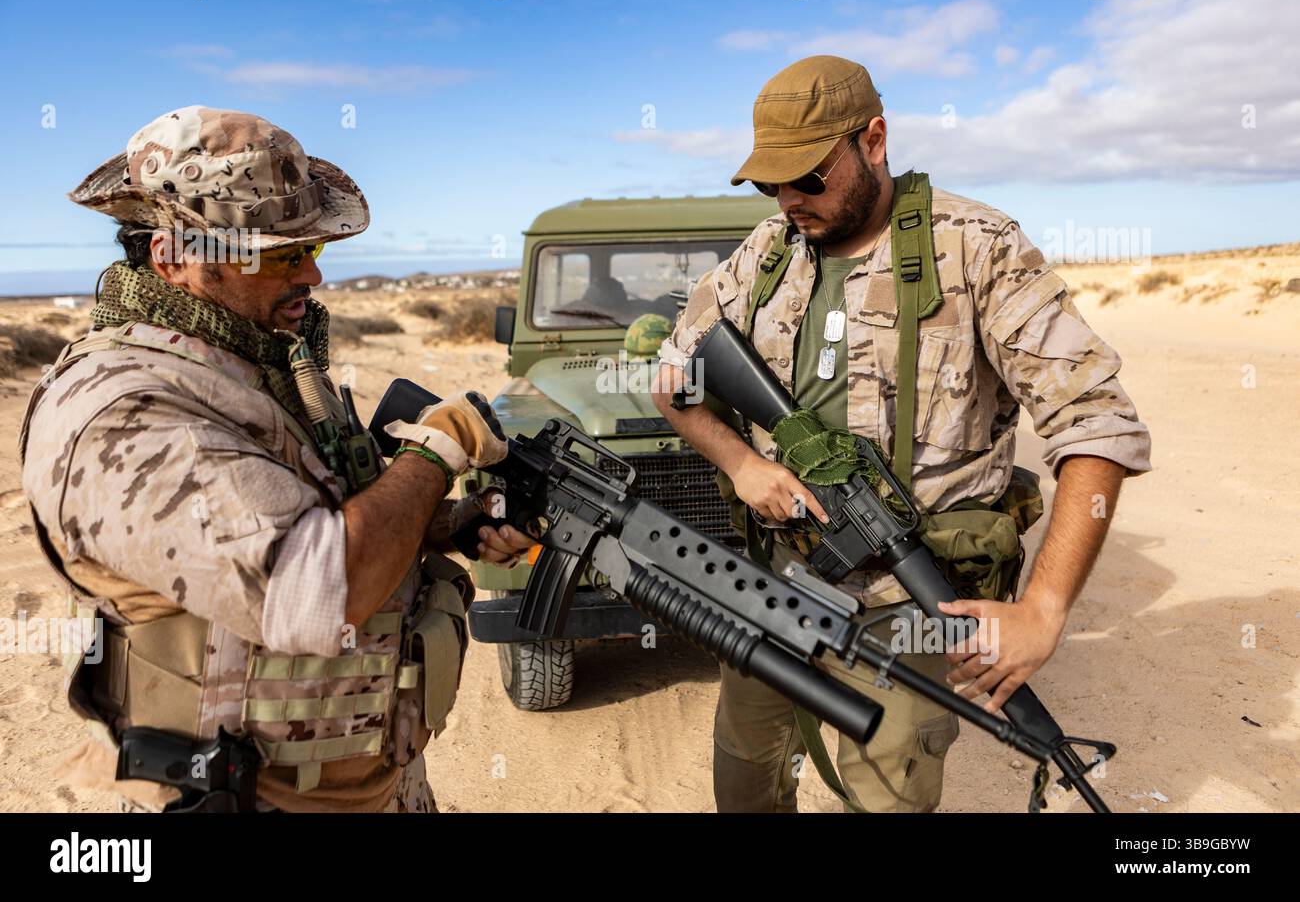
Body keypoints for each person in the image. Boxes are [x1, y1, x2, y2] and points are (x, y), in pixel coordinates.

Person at [653, 56, 1152, 812]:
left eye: (809, 177)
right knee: (745, 786)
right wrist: (743, 462)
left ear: (874, 141)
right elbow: (673, 377)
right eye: (770, 183)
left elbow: (1099, 424)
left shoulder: (975, 248)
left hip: (905, 613)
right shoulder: (767, 253)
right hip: (766, 586)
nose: (789, 200)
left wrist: (1044, 611)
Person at [20, 105, 533, 812]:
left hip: (361, 786)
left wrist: (447, 522)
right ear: (174, 258)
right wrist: (435, 454)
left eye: (315, 250)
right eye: (283, 255)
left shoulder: (255, 363)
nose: (314, 275)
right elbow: (318, 591)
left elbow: (322, 510)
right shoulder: (125, 410)